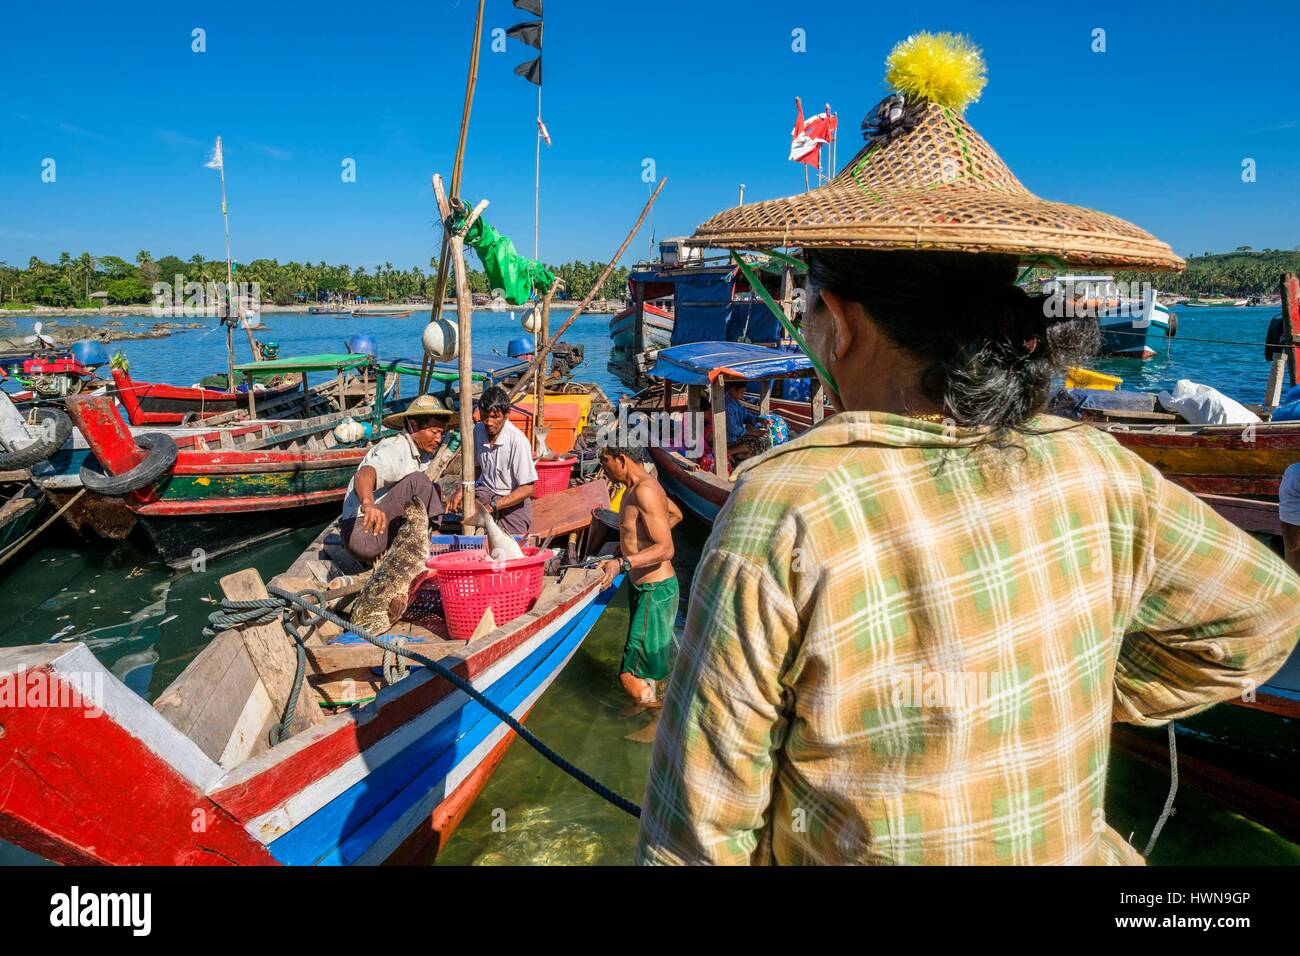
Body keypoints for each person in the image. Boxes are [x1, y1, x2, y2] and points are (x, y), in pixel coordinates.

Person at [636, 33, 1300, 866]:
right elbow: (1266, 614)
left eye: (806, 309)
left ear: (838, 322)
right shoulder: (1096, 466)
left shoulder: (785, 506)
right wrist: (1062, 689)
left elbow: (696, 839)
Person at [595, 444, 681, 704]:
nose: (603, 469)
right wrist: (636, 544)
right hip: (650, 590)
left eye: (605, 461)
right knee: (651, 668)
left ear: (621, 459)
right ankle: (655, 705)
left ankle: (656, 717)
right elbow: (675, 514)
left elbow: (666, 548)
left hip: (654, 592)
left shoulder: (645, 490)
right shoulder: (636, 488)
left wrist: (623, 563)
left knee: (629, 675)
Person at [340, 394, 455, 562]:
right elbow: (364, 473)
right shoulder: (396, 448)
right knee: (419, 481)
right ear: (413, 425)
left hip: (376, 533)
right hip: (363, 535)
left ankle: (425, 537)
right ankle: (428, 538)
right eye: (434, 432)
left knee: (432, 487)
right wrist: (368, 504)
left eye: (442, 433)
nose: (439, 439)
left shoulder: (420, 455)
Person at [448, 384, 537, 535]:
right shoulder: (478, 430)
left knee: (511, 541)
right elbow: (476, 468)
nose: (488, 422)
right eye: (484, 416)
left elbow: (528, 489)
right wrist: (461, 489)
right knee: (461, 519)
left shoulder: (517, 441)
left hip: (511, 497)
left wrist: (492, 506)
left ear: (507, 414)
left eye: (495, 417)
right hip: (486, 490)